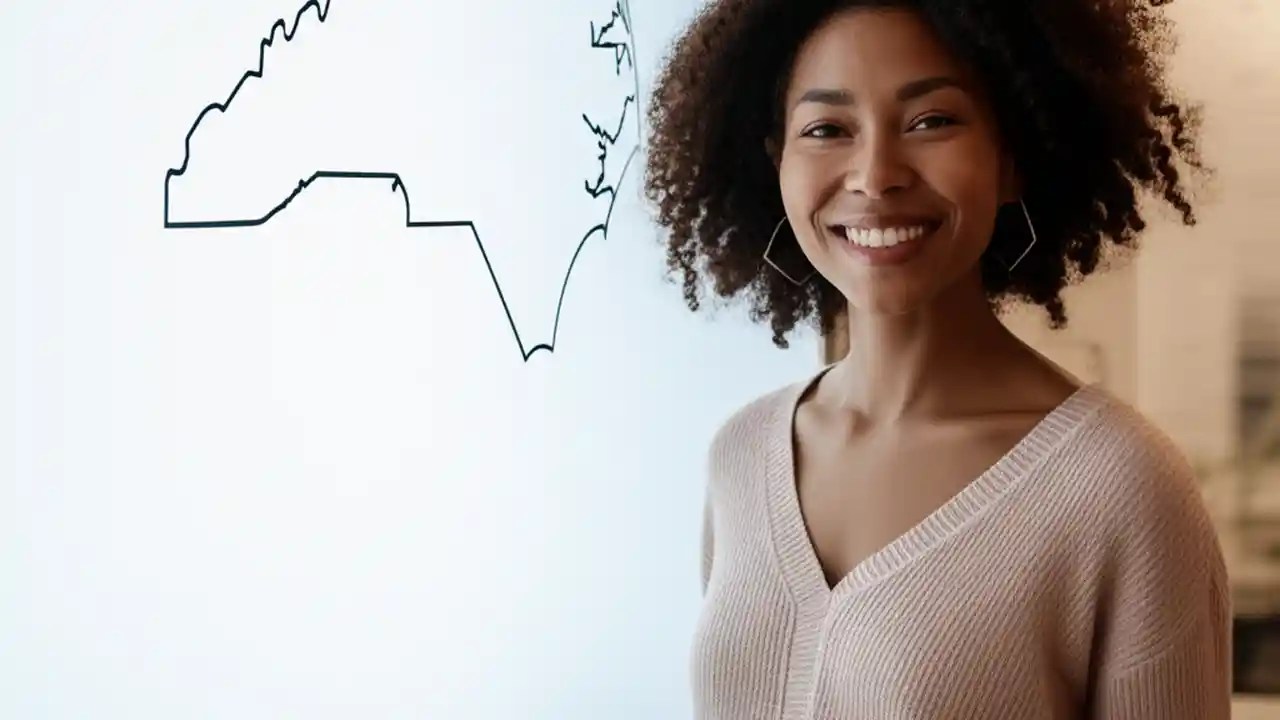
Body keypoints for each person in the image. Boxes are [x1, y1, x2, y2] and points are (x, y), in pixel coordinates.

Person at [641, 0, 1232, 717]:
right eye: (827, 129)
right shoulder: (742, 453)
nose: (876, 175)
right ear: (778, 164)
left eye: (931, 121)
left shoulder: (1121, 488)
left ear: (1012, 158)